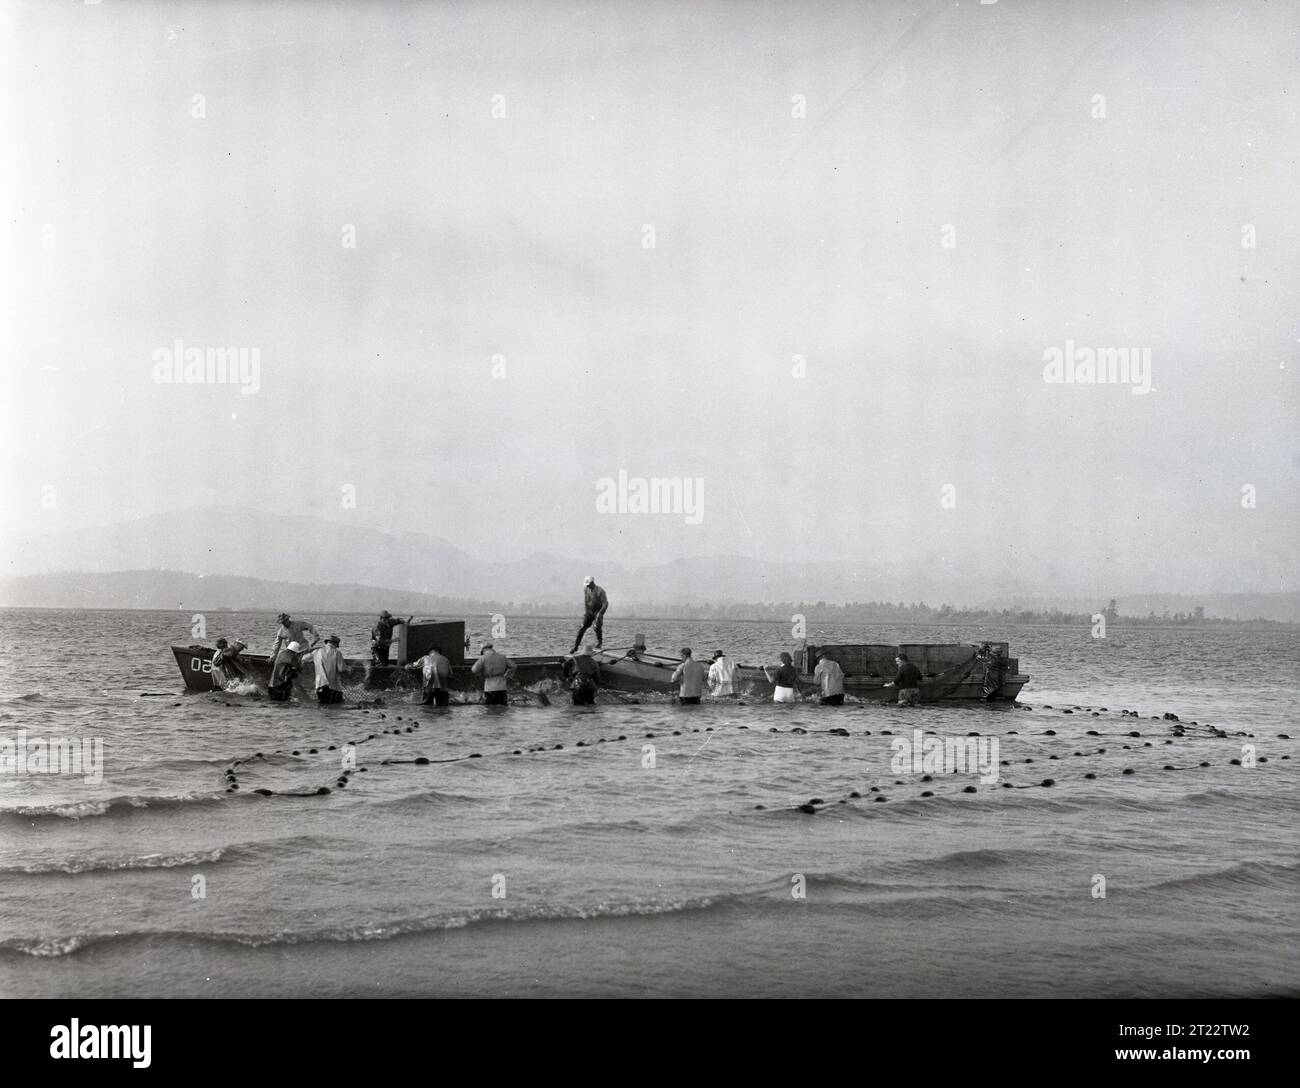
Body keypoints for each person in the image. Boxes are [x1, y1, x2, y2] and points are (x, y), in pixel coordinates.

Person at [570, 576, 609, 653]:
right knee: (582, 628)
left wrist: (600, 614)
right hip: (589, 611)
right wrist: (587, 612)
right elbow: (586, 601)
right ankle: (576, 646)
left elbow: (605, 603)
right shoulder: (586, 589)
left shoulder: (600, 591)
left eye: (589, 585)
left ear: (592, 583)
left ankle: (599, 643)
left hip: (598, 611)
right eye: (587, 585)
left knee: (597, 627)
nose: (588, 586)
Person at [312, 635, 346, 704]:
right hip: (332, 687)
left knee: (322, 706)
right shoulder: (336, 652)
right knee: (337, 706)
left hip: (319, 686)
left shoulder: (316, 651)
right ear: (335, 643)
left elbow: (303, 659)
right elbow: (341, 669)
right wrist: (348, 668)